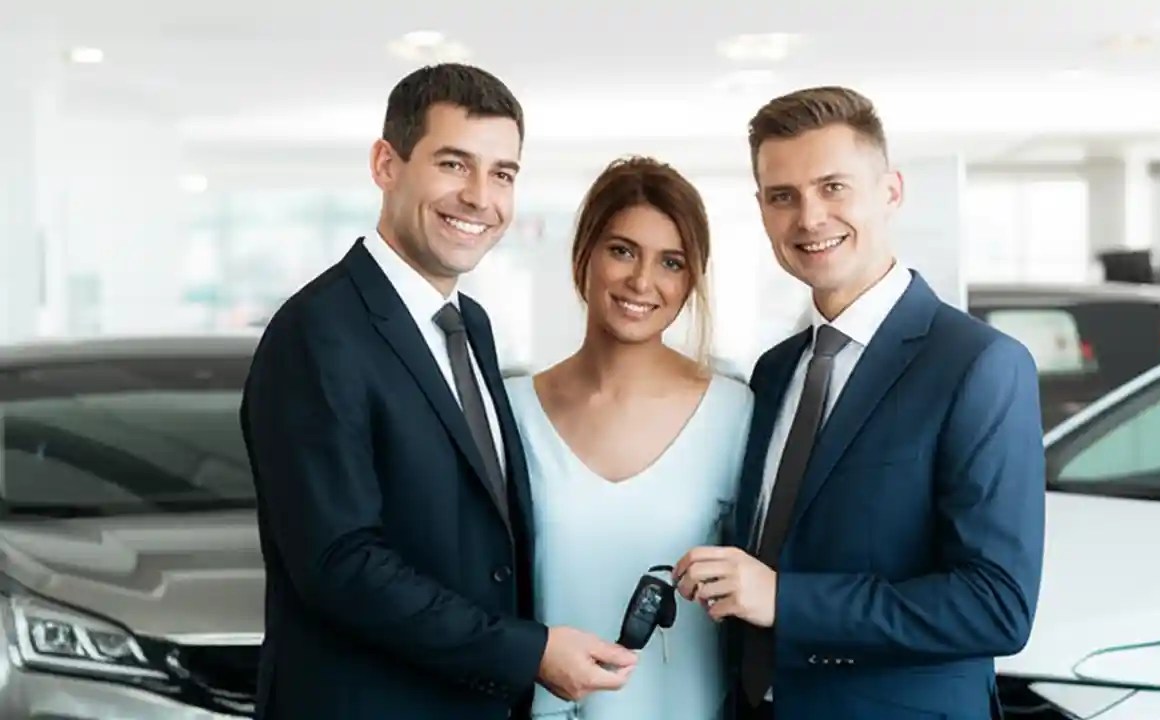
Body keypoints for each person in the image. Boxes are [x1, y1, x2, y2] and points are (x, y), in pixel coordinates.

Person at [239, 63, 637, 720]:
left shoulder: (467, 324)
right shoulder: (316, 333)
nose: (481, 196)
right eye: (454, 164)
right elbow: (342, 564)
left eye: (502, 173)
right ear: (385, 164)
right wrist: (525, 651)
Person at [675, 86, 1046, 720]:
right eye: (782, 196)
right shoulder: (776, 370)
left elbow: (996, 605)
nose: (809, 218)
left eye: (833, 187)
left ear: (891, 191)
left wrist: (787, 600)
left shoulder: (980, 364)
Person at [505, 156, 754, 720]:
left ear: (691, 280)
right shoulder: (512, 413)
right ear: (583, 255)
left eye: (672, 262)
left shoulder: (735, 415)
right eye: (622, 251)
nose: (643, 282)